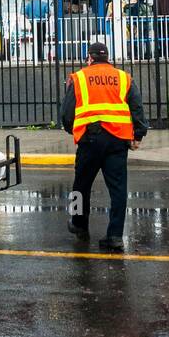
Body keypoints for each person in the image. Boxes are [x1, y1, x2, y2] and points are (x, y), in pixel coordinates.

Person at [60, 40, 149, 252]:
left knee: (80, 186)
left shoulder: (79, 78)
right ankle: (115, 235)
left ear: (89, 58)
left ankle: (79, 224)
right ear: (107, 57)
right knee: (118, 189)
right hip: (117, 140)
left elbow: (67, 113)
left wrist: (74, 130)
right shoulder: (123, 78)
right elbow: (136, 107)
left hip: (89, 141)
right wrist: (138, 134)